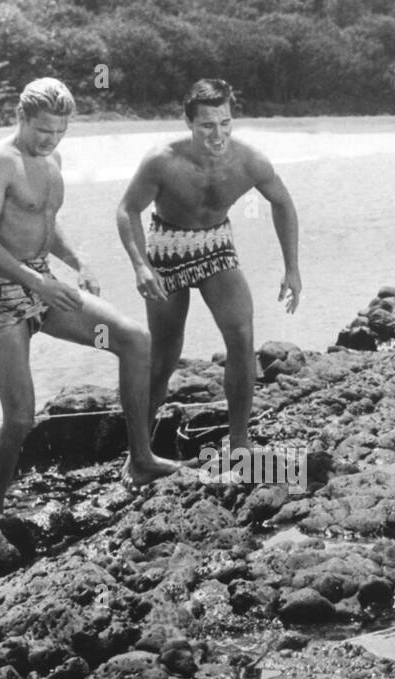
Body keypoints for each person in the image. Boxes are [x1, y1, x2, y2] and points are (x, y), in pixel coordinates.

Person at [0, 77, 178, 516]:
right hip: (2, 298)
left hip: (47, 288)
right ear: (20, 117)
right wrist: (37, 283)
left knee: (133, 340)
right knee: (20, 418)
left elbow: (43, 219)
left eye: (61, 131)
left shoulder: (50, 158)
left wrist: (77, 262)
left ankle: (141, 459)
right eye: (43, 130)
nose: (52, 139)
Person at [116, 79, 301, 461]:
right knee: (165, 356)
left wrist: (292, 269)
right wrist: (141, 265)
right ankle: (139, 450)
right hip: (167, 246)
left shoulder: (250, 160)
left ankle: (238, 444)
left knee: (241, 336)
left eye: (225, 123)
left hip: (216, 244)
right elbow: (127, 209)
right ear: (188, 122)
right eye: (207, 126)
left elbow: (283, 203)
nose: (218, 134)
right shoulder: (162, 160)